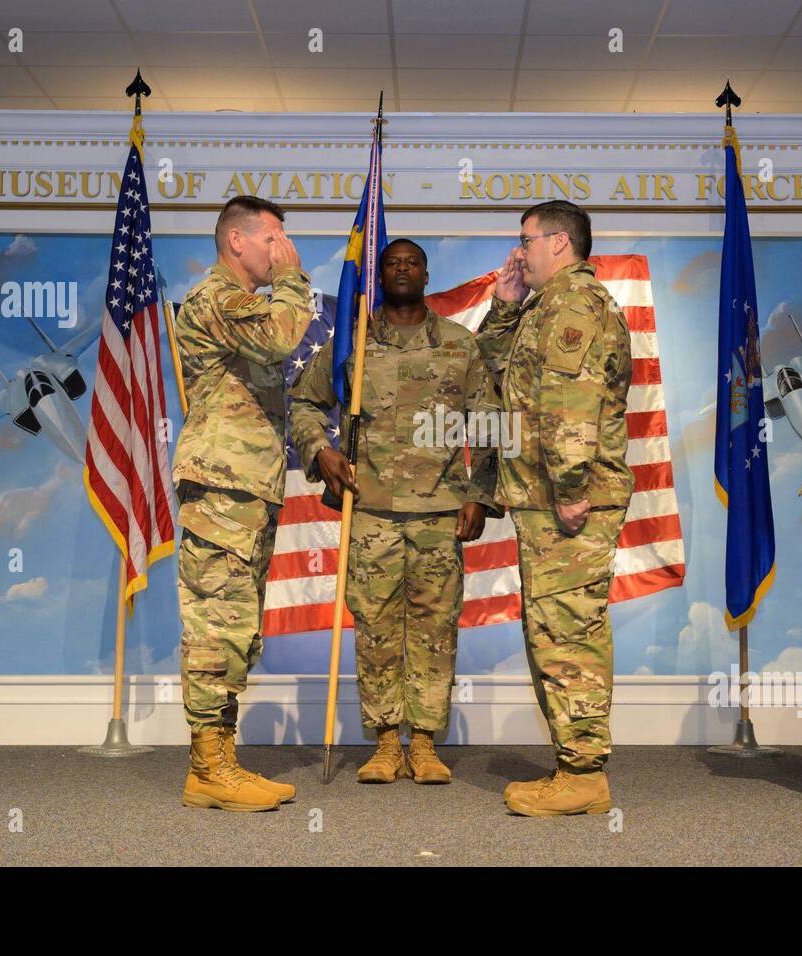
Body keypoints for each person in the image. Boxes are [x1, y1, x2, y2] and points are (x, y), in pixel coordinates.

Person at [289, 238, 500, 784]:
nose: (402, 270)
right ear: (378, 275)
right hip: (373, 513)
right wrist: (321, 450)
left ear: (426, 275)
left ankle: (425, 743)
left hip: (440, 513)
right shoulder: (351, 348)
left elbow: (491, 424)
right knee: (378, 628)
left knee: (434, 628)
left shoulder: (460, 346)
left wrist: (480, 493)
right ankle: (385, 742)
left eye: (412, 263)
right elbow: (303, 403)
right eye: (392, 263)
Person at [475, 200, 633, 816]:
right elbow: (486, 367)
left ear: (560, 243)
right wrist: (506, 303)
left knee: (569, 631)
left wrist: (570, 490)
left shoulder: (575, 305)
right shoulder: (543, 306)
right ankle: (575, 766)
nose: (519, 252)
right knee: (551, 629)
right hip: (544, 499)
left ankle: (585, 773)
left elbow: (571, 406)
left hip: (568, 501)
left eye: (526, 241)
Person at [172, 195, 313, 811]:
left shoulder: (241, 302)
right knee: (215, 626)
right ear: (237, 240)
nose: (279, 248)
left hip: (247, 485)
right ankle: (207, 767)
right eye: (272, 237)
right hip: (222, 484)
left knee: (237, 628)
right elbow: (282, 337)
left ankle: (221, 760)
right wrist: (294, 276)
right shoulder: (215, 297)